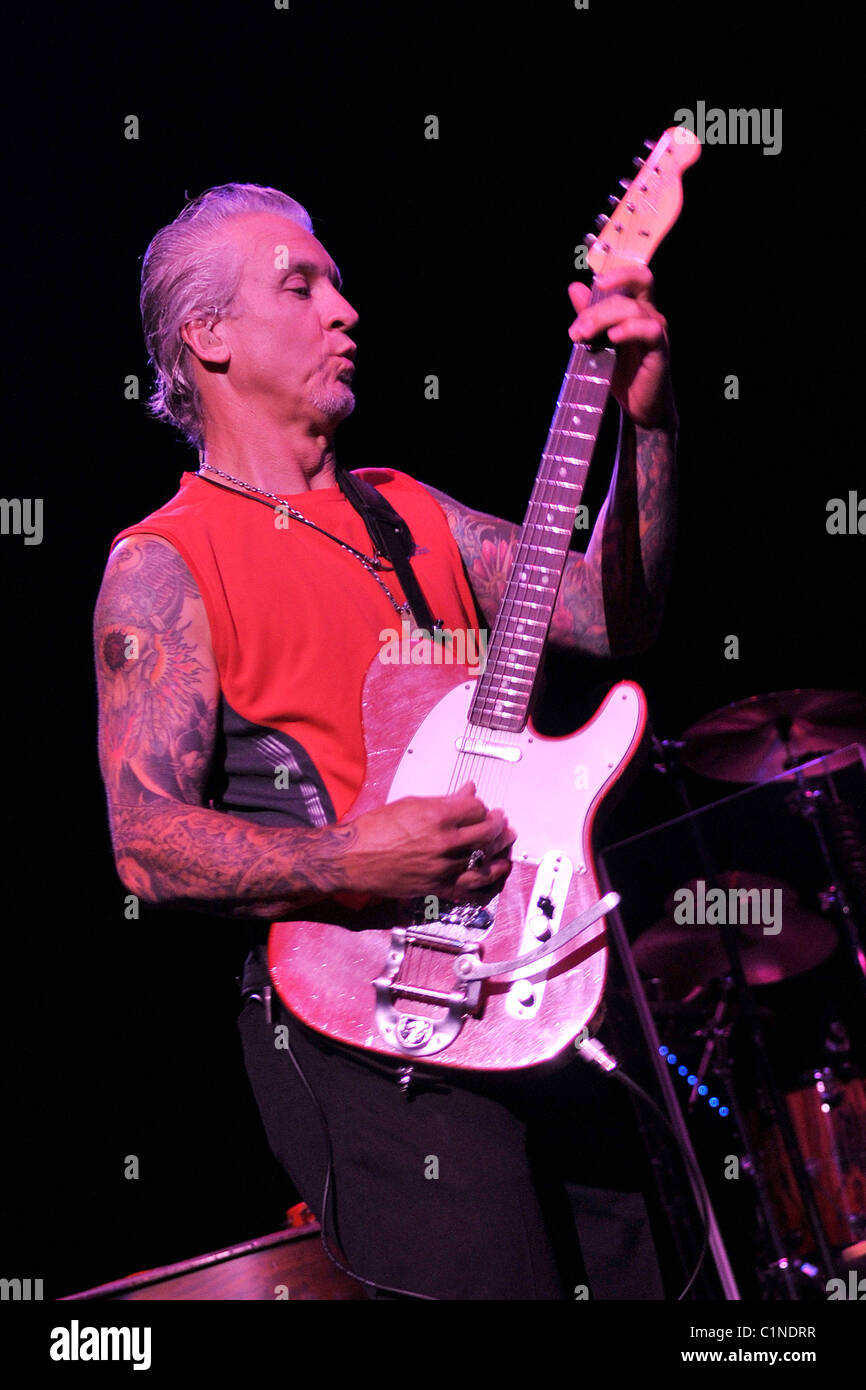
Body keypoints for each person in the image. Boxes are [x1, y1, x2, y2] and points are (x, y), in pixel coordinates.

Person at [94, 182, 677, 1299]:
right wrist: (354, 861)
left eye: (338, 280)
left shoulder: (405, 509)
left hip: (547, 980)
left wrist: (647, 422)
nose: (344, 308)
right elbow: (143, 841)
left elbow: (613, 609)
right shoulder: (163, 560)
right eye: (298, 285)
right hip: (373, 1025)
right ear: (206, 336)